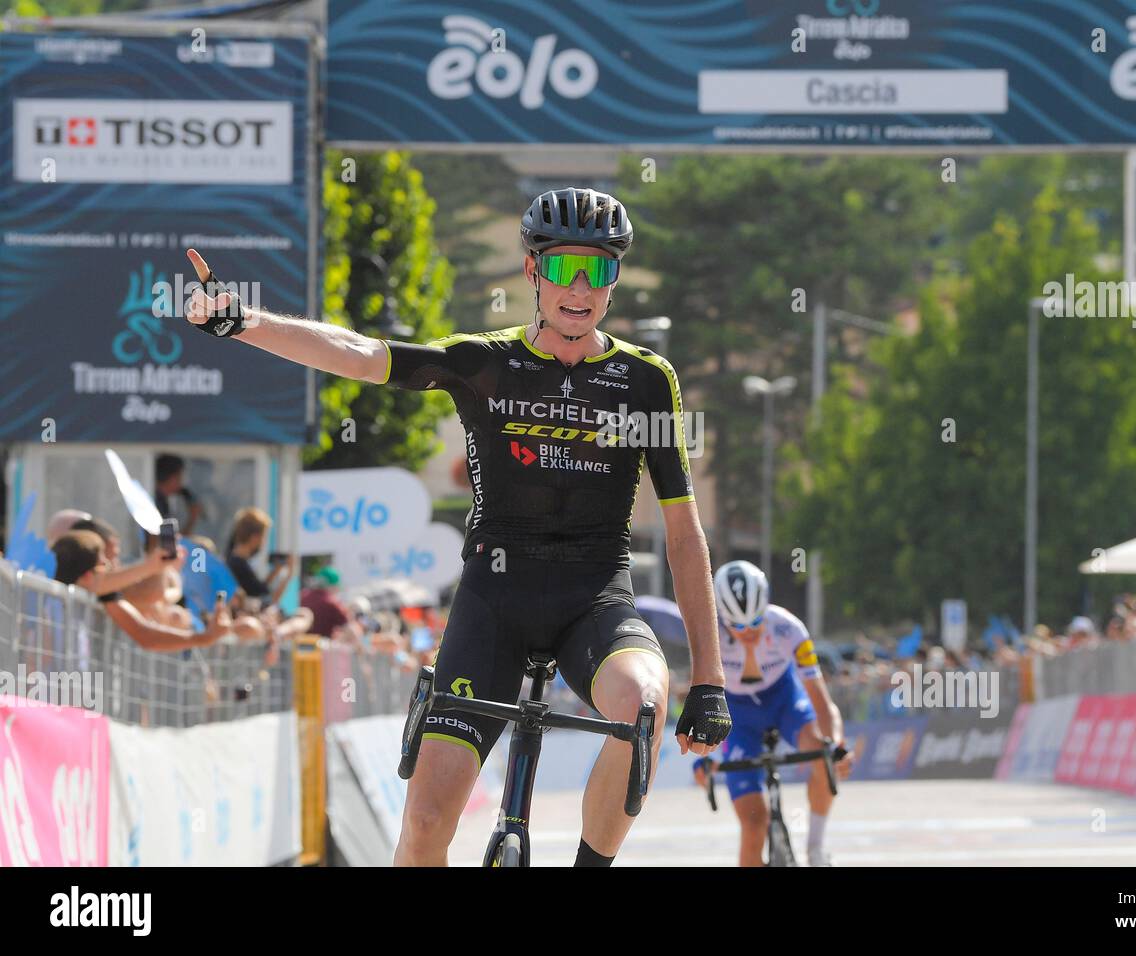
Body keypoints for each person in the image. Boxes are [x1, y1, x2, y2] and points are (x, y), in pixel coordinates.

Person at [182, 186, 730, 867]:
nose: (581, 288)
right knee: (424, 827)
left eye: (600, 269)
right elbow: (357, 353)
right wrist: (242, 322)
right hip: (494, 601)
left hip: (596, 601)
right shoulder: (483, 362)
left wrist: (708, 677)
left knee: (642, 700)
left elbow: (683, 536)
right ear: (533, 272)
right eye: (564, 268)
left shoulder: (647, 379)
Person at [694, 560, 851, 867]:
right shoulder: (709, 637)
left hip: (785, 703)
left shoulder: (790, 628)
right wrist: (705, 757)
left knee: (820, 752)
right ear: (723, 618)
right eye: (737, 626)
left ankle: (816, 849)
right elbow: (702, 702)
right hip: (737, 718)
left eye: (755, 621)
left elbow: (820, 699)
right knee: (753, 827)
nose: (748, 632)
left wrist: (837, 745)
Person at [52, 531, 231, 653]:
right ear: (86, 574)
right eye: (103, 562)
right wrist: (151, 567)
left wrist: (203, 638)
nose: (112, 565)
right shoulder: (44, 596)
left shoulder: (105, 593)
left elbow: (144, 633)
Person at [224, 507, 294, 610]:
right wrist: (288, 575)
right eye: (264, 536)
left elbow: (259, 588)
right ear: (255, 537)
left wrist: (275, 572)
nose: (264, 542)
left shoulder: (233, 561)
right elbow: (267, 601)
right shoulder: (240, 566)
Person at [154, 454, 201, 535]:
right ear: (171, 478)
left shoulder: (161, 501)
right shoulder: (157, 503)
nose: (180, 483)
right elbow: (166, 542)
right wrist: (192, 519)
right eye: (179, 477)